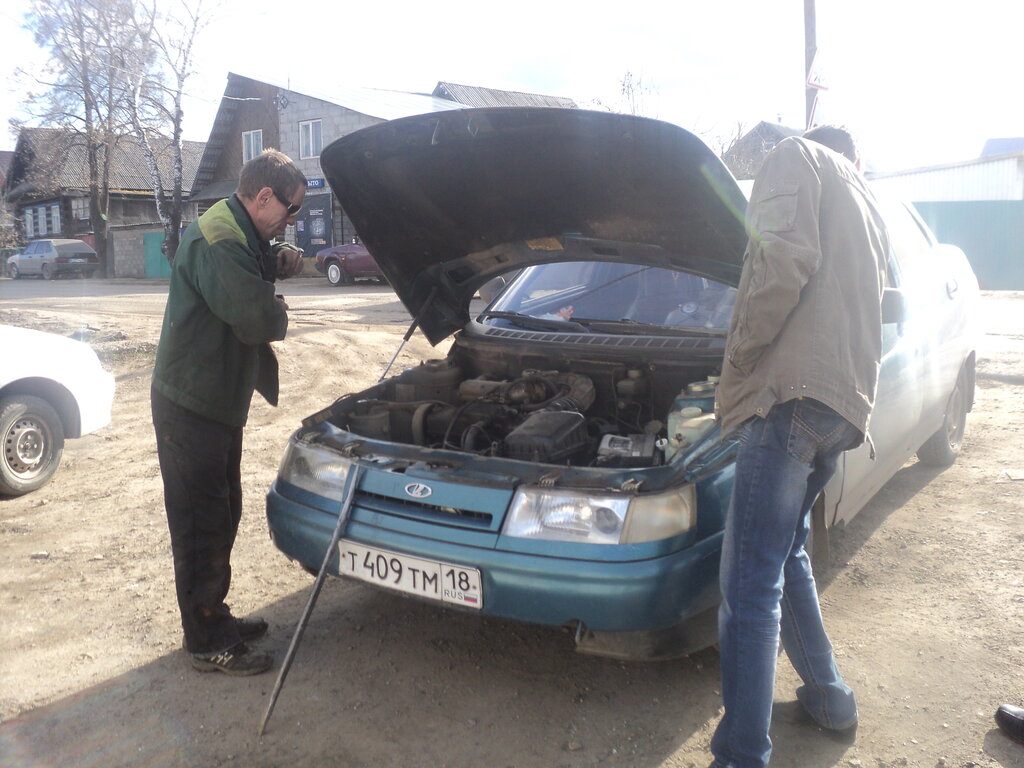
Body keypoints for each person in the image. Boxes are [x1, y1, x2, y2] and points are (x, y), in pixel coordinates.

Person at [709, 126, 891, 767]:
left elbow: (780, 262)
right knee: (786, 556)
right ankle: (830, 699)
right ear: (853, 155)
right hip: (841, 407)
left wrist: (737, 357)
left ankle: (741, 757)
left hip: (788, 398)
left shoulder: (795, 155)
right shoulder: (868, 203)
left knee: (748, 587)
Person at [151, 149, 306, 676]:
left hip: (213, 401)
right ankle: (206, 641)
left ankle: (214, 614)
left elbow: (256, 248)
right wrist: (277, 308)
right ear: (263, 197)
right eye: (290, 209)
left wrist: (281, 250)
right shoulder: (218, 240)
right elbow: (255, 318)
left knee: (224, 512)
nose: (292, 219)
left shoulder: (237, 224)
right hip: (190, 405)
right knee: (202, 524)